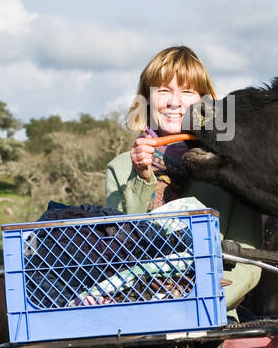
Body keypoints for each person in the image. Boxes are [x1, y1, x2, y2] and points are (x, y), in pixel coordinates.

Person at [105, 46, 263, 314]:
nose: (175, 102)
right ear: (146, 99)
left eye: (187, 92)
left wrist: (194, 307)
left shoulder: (229, 166)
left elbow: (248, 264)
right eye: (164, 91)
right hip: (137, 315)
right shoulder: (120, 168)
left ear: (204, 102)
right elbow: (118, 252)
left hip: (213, 318)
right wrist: (142, 179)